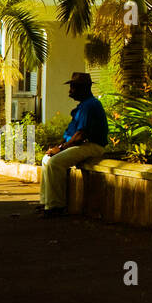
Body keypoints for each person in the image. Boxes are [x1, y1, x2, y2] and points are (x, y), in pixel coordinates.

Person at [37, 72, 108, 217]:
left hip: (92, 146)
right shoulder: (83, 106)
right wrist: (57, 147)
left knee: (55, 163)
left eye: (73, 87)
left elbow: (80, 135)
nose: (70, 91)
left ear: (84, 88)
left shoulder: (90, 105)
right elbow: (70, 134)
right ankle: (45, 202)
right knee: (46, 160)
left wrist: (61, 149)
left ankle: (56, 206)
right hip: (81, 145)